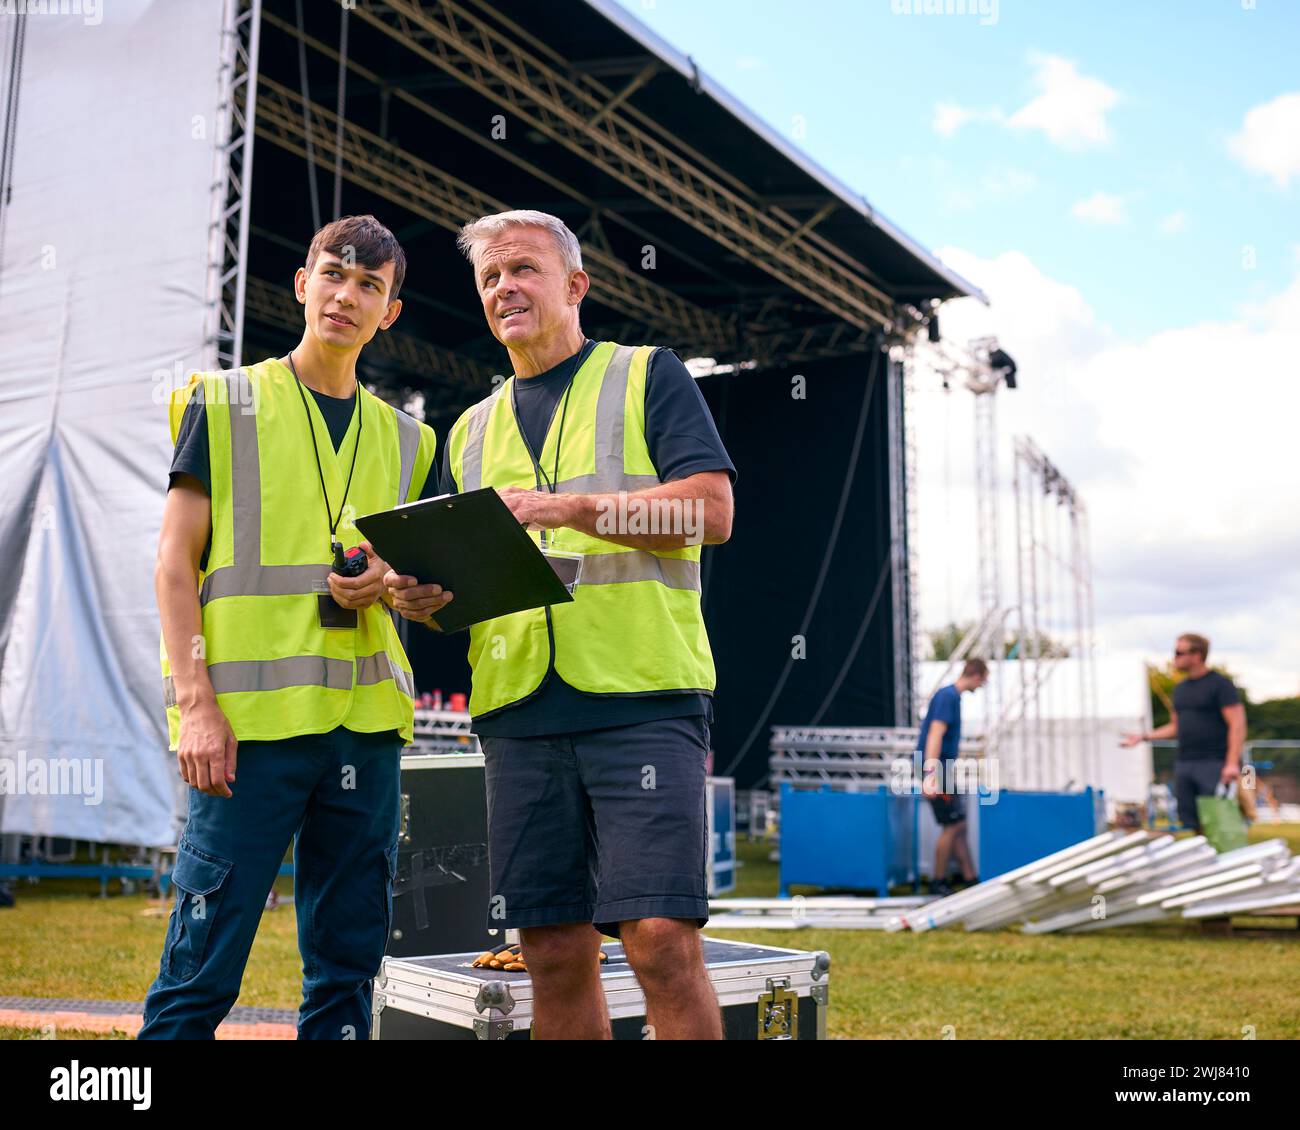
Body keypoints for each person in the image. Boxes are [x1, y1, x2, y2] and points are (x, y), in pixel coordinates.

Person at [384, 209, 736, 1040]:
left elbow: (712, 512)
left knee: (659, 942)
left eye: (524, 270)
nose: (505, 287)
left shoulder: (646, 375)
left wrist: (567, 507)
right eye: (490, 278)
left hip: (642, 696)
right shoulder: (467, 430)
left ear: (575, 285)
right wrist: (418, 598)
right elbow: (459, 585)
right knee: (548, 949)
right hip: (517, 716)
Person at [140, 215, 438, 1039]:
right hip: (246, 734)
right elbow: (173, 563)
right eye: (333, 275)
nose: (347, 295)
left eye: (369, 285)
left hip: (365, 734)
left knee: (347, 973)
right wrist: (194, 703)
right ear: (302, 284)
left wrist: (388, 586)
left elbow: (420, 587)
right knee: (201, 971)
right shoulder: (225, 401)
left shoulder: (413, 442)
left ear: (390, 312)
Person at [1121, 633, 1246, 833]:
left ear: (1197, 655)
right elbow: (1175, 727)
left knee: (1218, 819)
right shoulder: (1180, 690)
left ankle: (1228, 858)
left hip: (1214, 762)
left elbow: (1237, 724)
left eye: (1179, 653)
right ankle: (1205, 857)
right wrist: (1143, 737)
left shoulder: (1220, 685)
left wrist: (1231, 763)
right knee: (1191, 820)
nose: (1175, 657)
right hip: (1186, 762)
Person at [916, 659, 988, 896]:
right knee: (953, 824)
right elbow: (935, 735)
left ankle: (970, 878)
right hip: (937, 769)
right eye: (983, 680)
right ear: (976, 675)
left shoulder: (952, 697)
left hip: (942, 767)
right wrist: (930, 775)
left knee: (958, 823)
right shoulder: (948, 697)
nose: (982, 685)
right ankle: (938, 881)